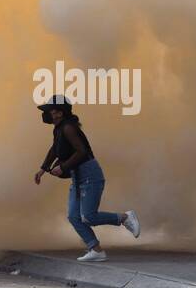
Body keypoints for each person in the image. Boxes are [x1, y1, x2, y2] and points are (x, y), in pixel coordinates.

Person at [35, 96, 139, 262]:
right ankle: (96, 250)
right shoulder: (59, 129)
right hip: (77, 177)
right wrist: (43, 168)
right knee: (74, 217)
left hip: (90, 175)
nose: (47, 113)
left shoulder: (69, 128)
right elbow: (55, 148)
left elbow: (82, 152)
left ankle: (125, 218)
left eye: (51, 110)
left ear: (60, 113)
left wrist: (62, 167)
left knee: (89, 216)